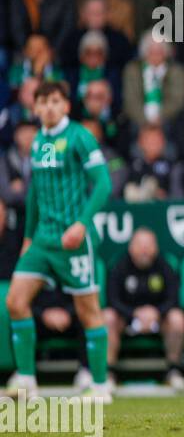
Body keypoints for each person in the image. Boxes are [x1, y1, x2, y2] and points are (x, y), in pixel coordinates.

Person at [3, 81, 112, 401]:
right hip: (43, 240)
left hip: (73, 240)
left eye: (55, 101)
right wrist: (27, 237)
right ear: (34, 108)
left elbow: (103, 183)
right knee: (15, 302)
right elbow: (35, 192)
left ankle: (101, 386)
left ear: (66, 105)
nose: (49, 107)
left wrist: (81, 224)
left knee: (88, 309)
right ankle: (26, 381)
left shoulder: (80, 137)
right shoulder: (39, 142)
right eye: (43, 102)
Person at [104, 227, 184, 388]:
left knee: (177, 318)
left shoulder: (165, 265)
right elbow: (112, 300)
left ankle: (173, 371)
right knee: (107, 317)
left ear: (155, 247)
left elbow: (174, 298)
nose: (144, 250)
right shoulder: (119, 266)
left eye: (148, 245)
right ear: (131, 247)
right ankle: (108, 373)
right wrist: (134, 313)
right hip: (127, 319)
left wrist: (156, 313)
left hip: (158, 319)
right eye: (140, 245)